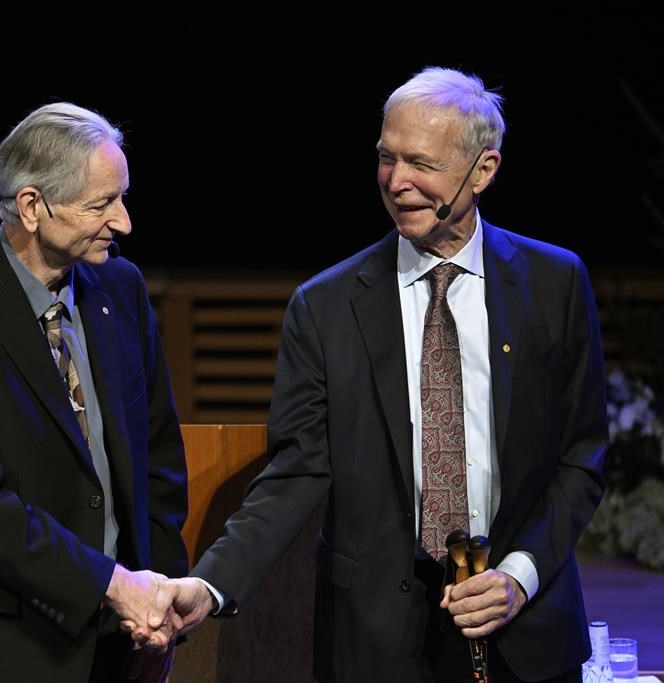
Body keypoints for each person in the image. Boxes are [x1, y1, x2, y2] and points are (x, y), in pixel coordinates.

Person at [147, 67, 608, 682]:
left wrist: (520, 576)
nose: (396, 181)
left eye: (421, 163)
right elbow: (295, 473)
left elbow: (581, 460)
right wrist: (209, 586)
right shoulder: (325, 306)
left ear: (483, 171)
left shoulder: (555, 283)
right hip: (374, 641)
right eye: (386, 158)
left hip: (525, 629)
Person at [0, 102, 188, 682]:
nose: (124, 222)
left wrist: (159, 613)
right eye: (102, 204)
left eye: (123, 198)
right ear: (31, 207)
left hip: (120, 643)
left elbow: (158, 461)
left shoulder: (120, 286)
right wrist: (112, 585)